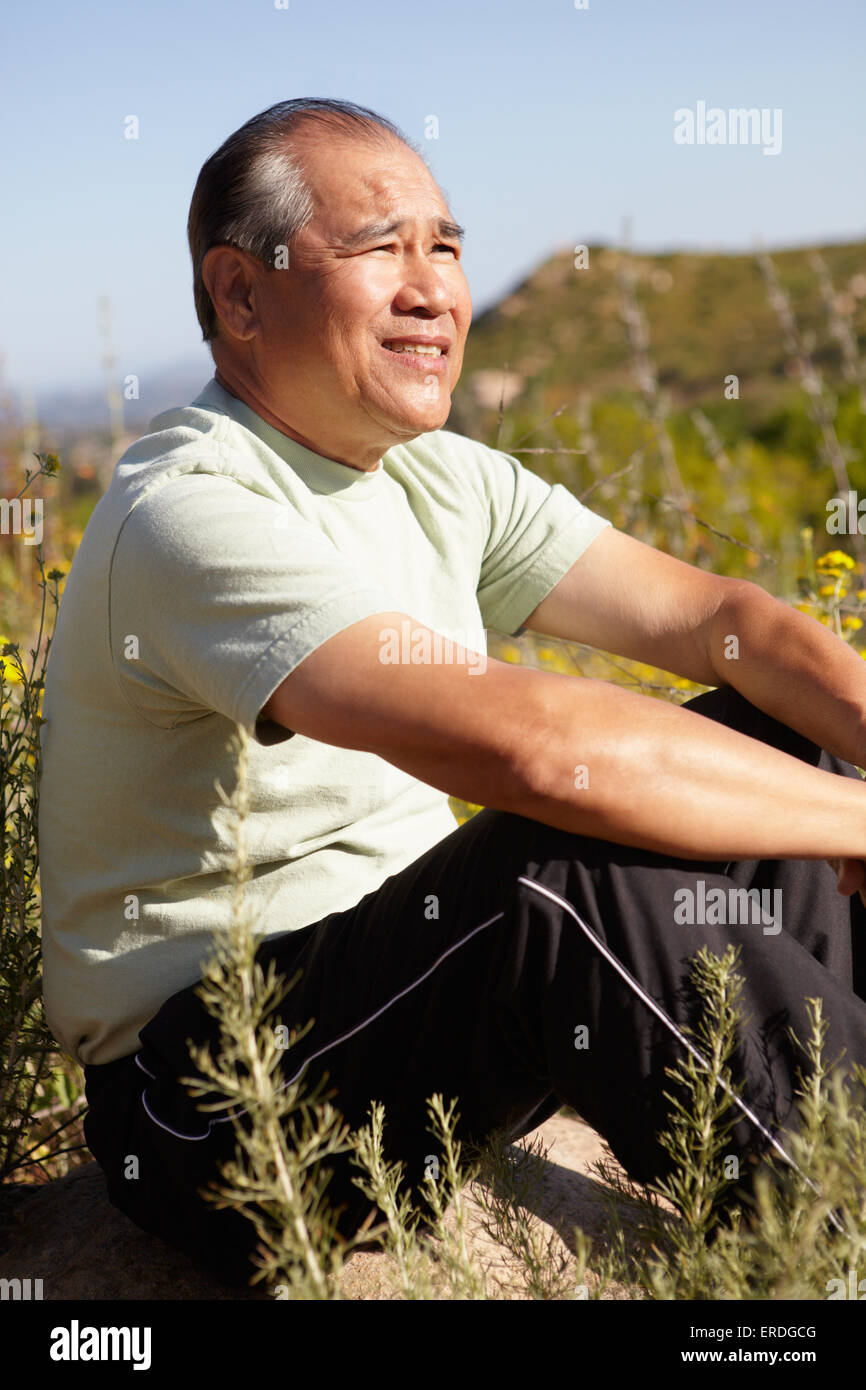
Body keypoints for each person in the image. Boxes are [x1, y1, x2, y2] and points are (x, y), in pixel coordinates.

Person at [38, 97, 866, 1289]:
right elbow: (537, 750)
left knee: (789, 740)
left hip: (404, 993)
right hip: (212, 1090)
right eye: (380, 247)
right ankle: (840, 1208)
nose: (432, 289)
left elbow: (722, 624)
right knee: (562, 866)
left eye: (446, 246)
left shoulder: (435, 476)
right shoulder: (189, 511)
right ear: (240, 293)